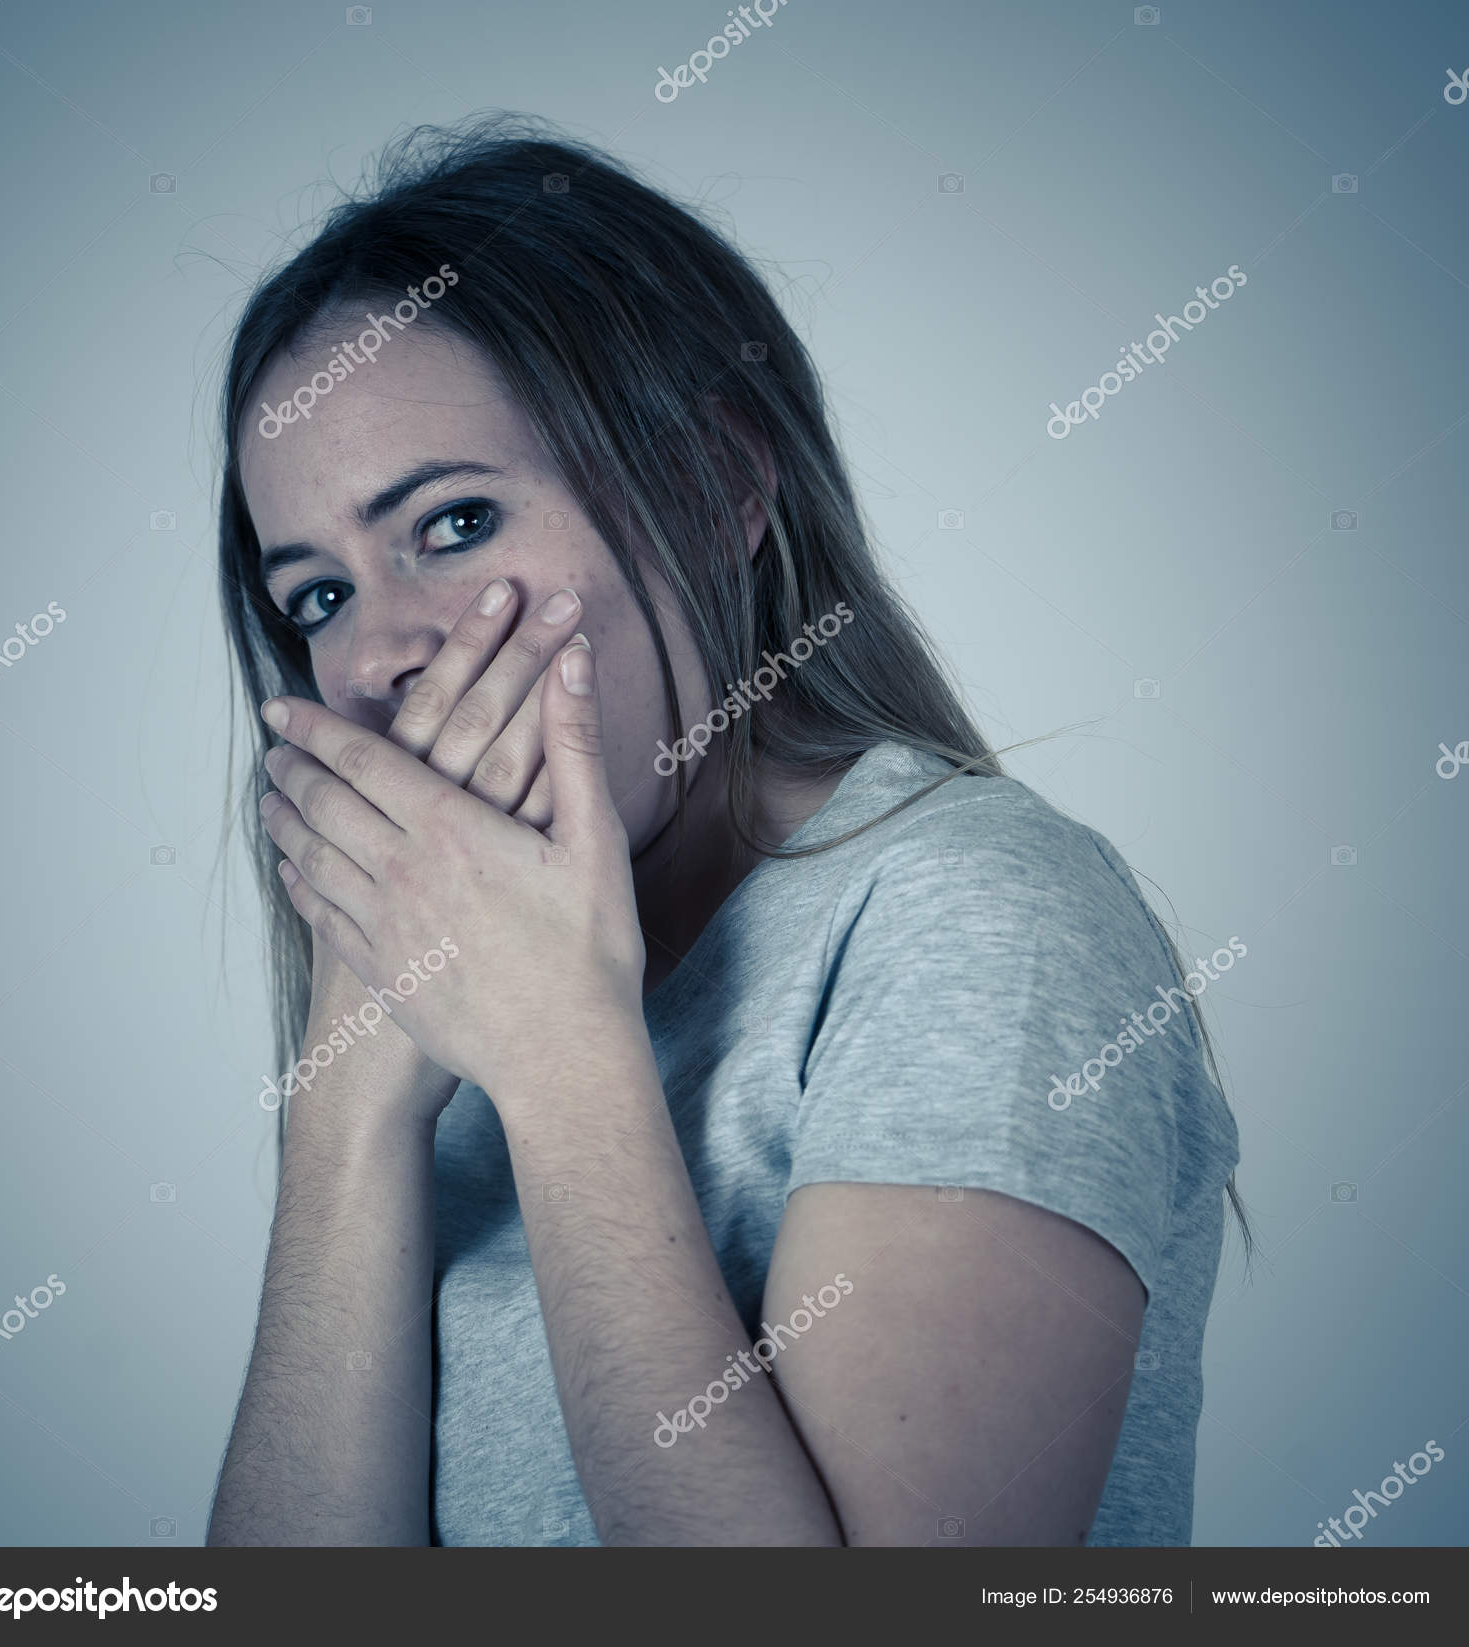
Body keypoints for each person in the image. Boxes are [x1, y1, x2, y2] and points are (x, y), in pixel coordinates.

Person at [207, 116, 1246, 1547]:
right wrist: (343, 1119)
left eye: (451, 524)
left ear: (721, 489)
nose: (377, 652)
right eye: (315, 595)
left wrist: (567, 1067)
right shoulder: (442, 1028)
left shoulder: (979, 921)